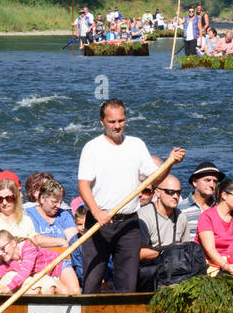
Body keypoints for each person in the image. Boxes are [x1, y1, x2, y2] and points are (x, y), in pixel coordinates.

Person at [77, 98, 184, 293]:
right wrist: (96, 211)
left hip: (128, 224)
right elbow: (83, 185)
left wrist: (170, 163)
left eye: (121, 121)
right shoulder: (92, 148)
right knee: (92, 280)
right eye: (112, 122)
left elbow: (156, 179)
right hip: (99, 222)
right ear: (102, 122)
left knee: (127, 283)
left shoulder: (136, 145)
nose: (117, 126)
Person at [136, 173, 190, 290]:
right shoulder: (143, 216)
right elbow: (139, 253)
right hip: (149, 268)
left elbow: (187, 248)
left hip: (175, 267)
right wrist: (168, 250)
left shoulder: (181, 217)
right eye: (170, 192)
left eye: (178, 193)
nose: (175, 196)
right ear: (157, 193)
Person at [28, 179, 82, 292]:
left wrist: (63, 243)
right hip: (39, 262)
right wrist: (61, 242)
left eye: (60, 202)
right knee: (61, 291)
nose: (58, 206)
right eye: (54, 202)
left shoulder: (64, 215)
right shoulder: (29, 214)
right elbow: (35, 239)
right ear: (42, 198)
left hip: (62, 261)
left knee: (75, 291)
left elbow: (73, 240)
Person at [181, 162, 223, 241]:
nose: (211, 184)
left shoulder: (221, 208)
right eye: (207, 180)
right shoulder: (180, 209)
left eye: (215, 181)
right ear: (194, 182)